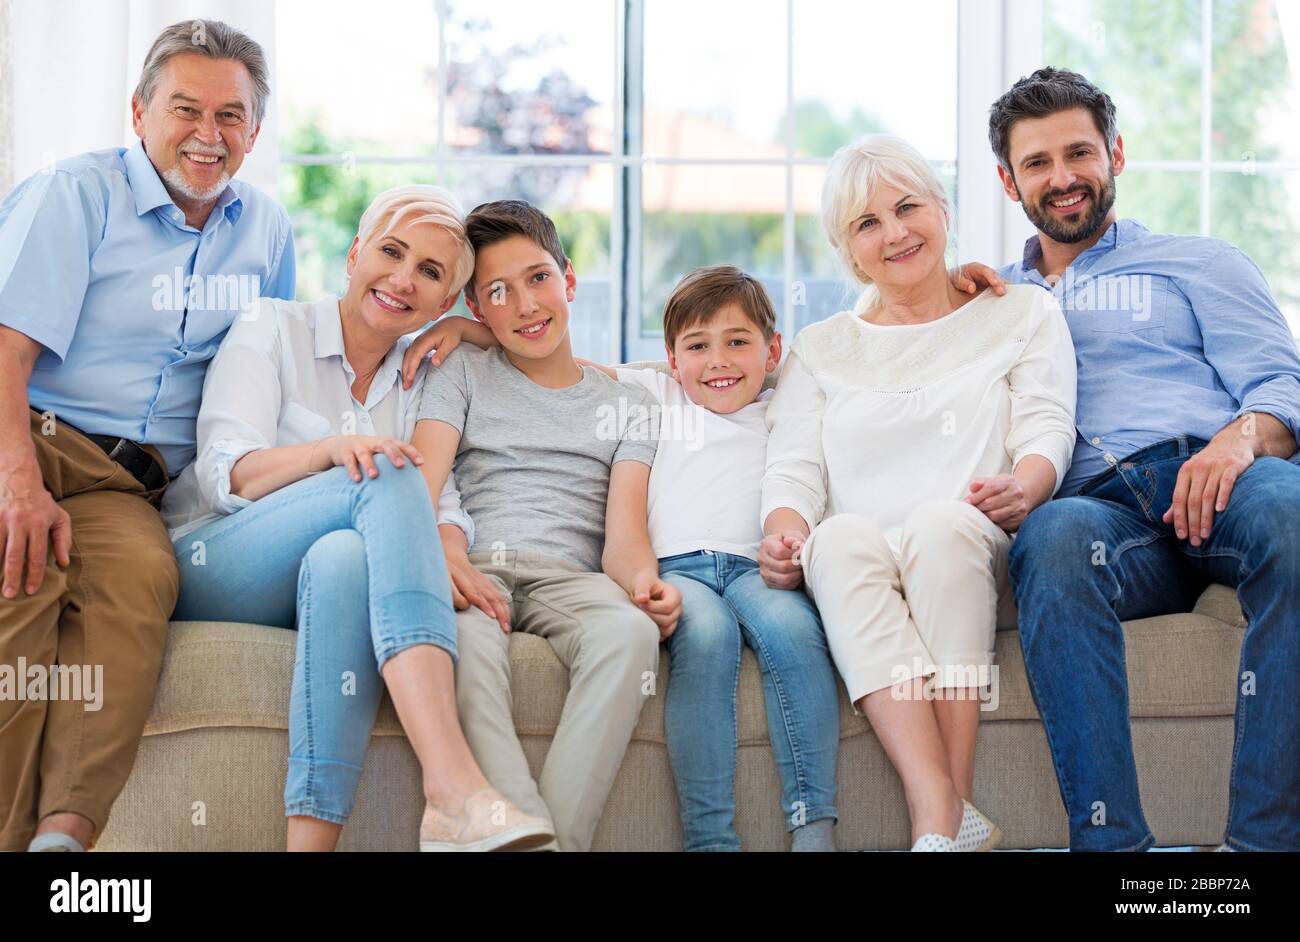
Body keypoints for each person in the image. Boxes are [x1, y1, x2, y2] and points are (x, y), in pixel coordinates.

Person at [163, 184, 553, 852]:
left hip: (323, 571)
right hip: (217, 559)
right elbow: (226, 472)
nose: (403, 279)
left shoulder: (424, 372)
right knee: (386, 469)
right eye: (391, 252)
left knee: (346, 556)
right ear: (354, 253)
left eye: (429, 273)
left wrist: (450, 553)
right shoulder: (272, 325)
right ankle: (453, 784)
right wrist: (329, 451)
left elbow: (446, 504)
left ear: (442, 302)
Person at [0, 19, 295, 853]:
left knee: (140, 587)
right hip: (26, 433)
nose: (208, 136)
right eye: (185, 109)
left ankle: (65, 839)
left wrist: (469, 330)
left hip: (126, 483)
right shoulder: (75, 195)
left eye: (230, 116)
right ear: (139, 113)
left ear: (254, 131)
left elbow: (285, 357)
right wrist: (16, 483)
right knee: (17, 581)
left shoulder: (265, 231)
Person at [988, 67, 1300, 852]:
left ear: (1116, 154)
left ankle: (1262, 848)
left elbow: (1281, 388)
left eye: (1079, 153)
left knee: (1293, 518)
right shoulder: (994, 303)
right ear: (1007, 180)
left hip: (1222, 478)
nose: (1062, 179)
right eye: (1037, 163)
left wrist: (1238, 439)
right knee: (1053, 542)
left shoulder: (1200, 262)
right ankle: (1116, 854)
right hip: (1100, 512)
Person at [760, 134, 1078, 851]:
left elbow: (1047, 428)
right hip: (863, 562)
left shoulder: (1018, 312)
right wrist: (784, 531)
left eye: (907, 207)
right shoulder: (822, 347)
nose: (895, 232)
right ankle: (946, 818)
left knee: (940, 525)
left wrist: (1024, 489)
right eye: (867, 223)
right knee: (834, 538)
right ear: (848, 251)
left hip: (975, 545)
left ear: (942, 207)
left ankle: (939, 814)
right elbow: (792, 470)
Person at [411, 199, 677, 852]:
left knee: (628, 634)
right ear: (476, 309)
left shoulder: (629, 403)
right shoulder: (461, 374)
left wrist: (645, 584)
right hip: (479, 568)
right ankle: (511, 825)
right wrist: (442, 560)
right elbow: (422, 485)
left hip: (570, 577)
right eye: (497, 292)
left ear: (570, 281)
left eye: (537, 279)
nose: (525, 305)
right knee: (463, 644)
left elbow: (625, 535)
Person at [602, 266, 841, 851]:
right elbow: (560, 365)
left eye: (738, 341)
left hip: (755, 568)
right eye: (697, 346)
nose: (718, 361)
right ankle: (710, 838)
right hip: (679, 569)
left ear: (773, 349)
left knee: (795, 630)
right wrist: (467, 332)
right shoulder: (652, 393)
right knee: (704, 637)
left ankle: (813, 826)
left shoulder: (787, 402)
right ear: (671, 357)